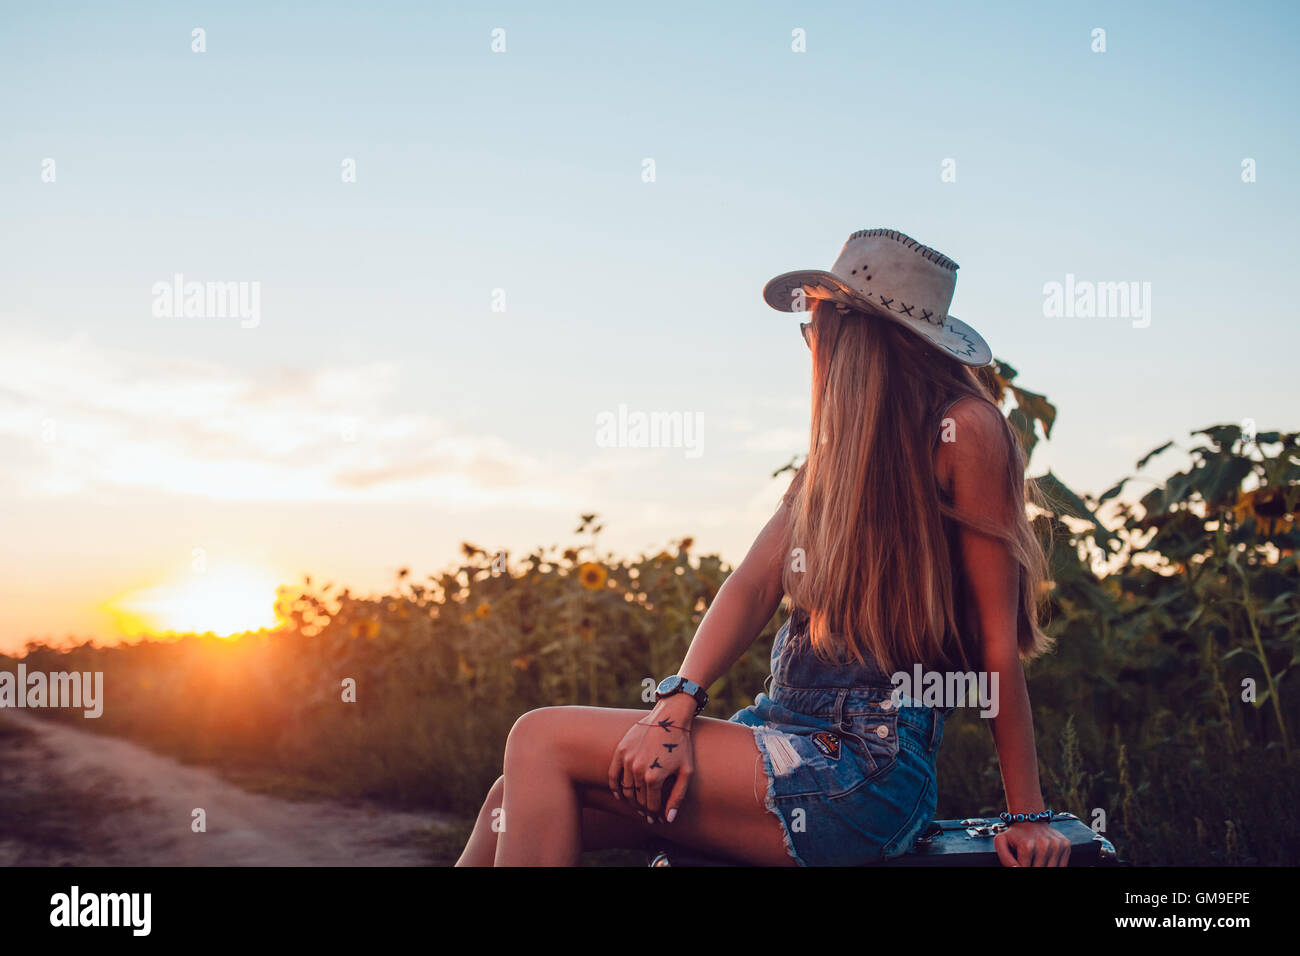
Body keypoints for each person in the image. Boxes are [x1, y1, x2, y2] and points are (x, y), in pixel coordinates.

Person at [456, 228, 1072, 867]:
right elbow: (752, 586)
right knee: (510, 798)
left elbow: (997, 638)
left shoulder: (966, 430)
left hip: (865, 767)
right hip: (781, 733)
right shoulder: (838, 455)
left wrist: (1026, 814)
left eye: (815, 327)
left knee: (539, 739)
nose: (812, 345)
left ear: (854, 332)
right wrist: (676, 704)